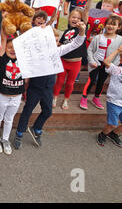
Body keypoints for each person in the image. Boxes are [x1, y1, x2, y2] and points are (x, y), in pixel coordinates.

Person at [13, 21, 87, 149]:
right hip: (35, 87)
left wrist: (82, 31)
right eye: (51, 39)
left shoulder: (57, 51)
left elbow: (76, 43)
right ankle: (19, 133)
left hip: (48, 88)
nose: (55, 41)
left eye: (57, 39)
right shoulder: (33, 51)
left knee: (47, 111)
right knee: (27, 110)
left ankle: (36, 128)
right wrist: (37, 30)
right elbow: (21, 41)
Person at [53, 0, 92, 110]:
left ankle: (66, 100)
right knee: (59, 80)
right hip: (63, 60)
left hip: (75, 63)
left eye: (78, 18)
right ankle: (54, 97)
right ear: (69, 18)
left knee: (70, 83)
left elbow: (86, 11)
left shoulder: (81, 29)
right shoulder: (66, 31)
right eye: (73, 17)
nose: (75, 19)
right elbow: (59, 44)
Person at [81, 15, 122, 110]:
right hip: (96, 62)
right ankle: (84, 97)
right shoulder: (98, 38)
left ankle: (96, 97)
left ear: (119, 27)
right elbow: (90, 50)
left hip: (108, 65)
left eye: (114, 25)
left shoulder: (121, 40)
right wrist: (92, 61)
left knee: (101, 81)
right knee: (92, 80)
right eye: (108, 24)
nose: (110, 26)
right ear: (105, 25)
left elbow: (120, 55)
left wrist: (113, 65)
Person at [0, 29, 24, 155]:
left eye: (15, 48)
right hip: (2, 95)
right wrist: (5, 21)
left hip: (16, 97)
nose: (12, 50)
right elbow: (3, 39)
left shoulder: (23, 59)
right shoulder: (3, 59)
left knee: (9, 119)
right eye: (9, 47)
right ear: (4, 48)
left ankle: (5, 139)